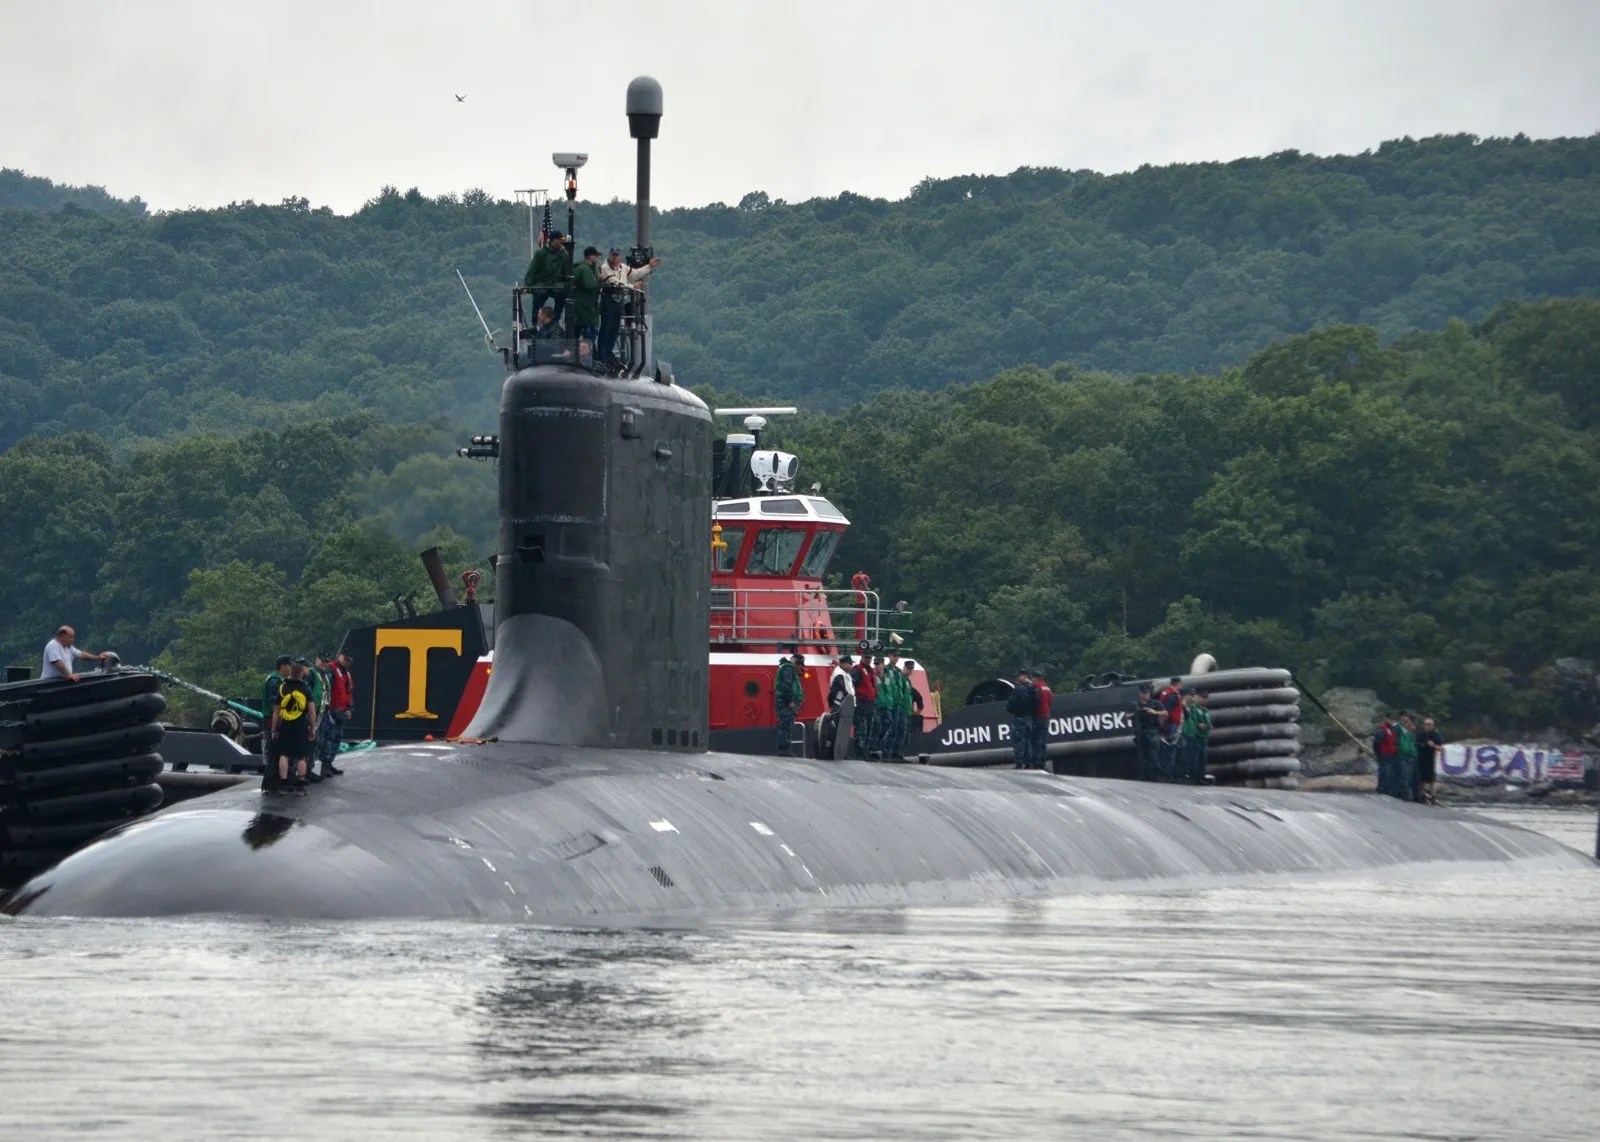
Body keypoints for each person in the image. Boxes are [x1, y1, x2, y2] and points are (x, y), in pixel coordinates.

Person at [597, 247, 660, 362]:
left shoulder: (623, 268)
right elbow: (615, 282)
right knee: (606, 328)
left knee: (615, 329)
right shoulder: (605, 267)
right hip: (609, 301)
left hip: (618, 302)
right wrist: (632, 286)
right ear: (610, 256)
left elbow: (636, 273)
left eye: (617, 255)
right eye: (613, 255)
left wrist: (649, 266)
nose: (615, 258)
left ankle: (608, 353)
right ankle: (602, 355)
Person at [271, 659, 318, 796]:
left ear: (290, 673)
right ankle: (300, 786)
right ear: (301, 674)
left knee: (284, 754)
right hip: (301, 725)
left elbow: (276, 711)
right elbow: (311, 711)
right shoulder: (306, 689)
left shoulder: (282, 687)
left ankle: (283, 784)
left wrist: (274, 729)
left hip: (285, 724)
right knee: (302, 756)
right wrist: (313, 727)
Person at [259, 655, 292, 789]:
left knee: (279, 751)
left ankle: (279, 779)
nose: (290, 668)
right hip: (273, 720)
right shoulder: (274, 681)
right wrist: (277, 725)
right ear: (283, 666)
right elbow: (275, 706)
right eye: (289, 665)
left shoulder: (282, 680)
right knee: (274, 751)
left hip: (278, 718)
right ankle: (272, 782)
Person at [320, 648, 353, 777]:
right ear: (339, 656)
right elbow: (326, 689)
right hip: (332, 711)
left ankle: (329, 763)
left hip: (342, 711)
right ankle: (325, 766)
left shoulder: (346, 673)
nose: (347, 662)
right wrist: (328, 709)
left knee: (337, 739)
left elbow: (349, 691)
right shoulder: (331, 669)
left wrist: (350, 708)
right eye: (345, 659)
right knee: (328, 738)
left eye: (349, 661)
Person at [524, 231, 571, 320]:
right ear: (552, 241)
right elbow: (532, 270)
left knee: (562, 293)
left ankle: (556, 317)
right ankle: (535, 317)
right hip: (541, 282)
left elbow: (566, 271)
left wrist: (568, 283)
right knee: (541, 294)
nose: (560, 243)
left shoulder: (563, 253)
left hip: (556, 283)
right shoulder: (541, 253)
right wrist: (528, 285)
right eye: (558, 241)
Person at [40, 625, 110, 682]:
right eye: (70, 637)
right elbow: (58, 664)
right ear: (62, 636)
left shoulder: (68, 647)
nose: (72, 640)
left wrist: (97, 658)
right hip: (50, 683)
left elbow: (82, 655)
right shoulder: (53, 646)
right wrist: (68, 675)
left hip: (62, 681)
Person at [571, 246, 604, 355]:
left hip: (588, 307)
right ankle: (590, 356)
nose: (597, 258)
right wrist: (600, 281)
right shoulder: (584, 268)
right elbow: (590, 285)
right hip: (585, 307)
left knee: (581, 333)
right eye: (596, 256)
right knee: (588, 335)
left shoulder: (592, 268)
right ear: (590, 256)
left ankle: (585, 354)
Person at [774, 647, 804, 754]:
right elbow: (787, 686)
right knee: (786, 725)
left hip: (783, 702)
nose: (801, 667)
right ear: (797, 662)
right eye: (800, 664)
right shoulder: (788, 669)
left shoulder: (787, 668)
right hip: (785, 703)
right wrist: (790, 701)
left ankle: (784, 748)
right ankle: (784, 750)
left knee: (786, 725)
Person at [1005, 669, 1036, 769]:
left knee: (1019, 741)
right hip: (1029, 718)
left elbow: (1010, 704)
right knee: (1028, 741)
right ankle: (1029, 762)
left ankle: (1019, 763)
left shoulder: (1019, 689)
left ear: (1024, 676)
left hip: (1019, 718)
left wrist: (1012, 709)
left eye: (1018, 676)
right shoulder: (1033, 689)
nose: (1017, 678)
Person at [1181, 688, 1213, 783]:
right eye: (1203, 697)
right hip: (1196, 736)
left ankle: (1200, 777)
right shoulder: (1194, 708)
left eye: (1206, 698)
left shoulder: (1205, 710)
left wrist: (1207, 726)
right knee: (1194, 758)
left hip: (1204, 737)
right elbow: (1199, 724)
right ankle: (1192, 777)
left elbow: (1208, 724)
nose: (1205, 699)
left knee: (1203, 759)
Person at [1133, 683, 1164, 782]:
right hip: (1142, 731)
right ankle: (1146, 775)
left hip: (1153, 730)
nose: (1146, 695)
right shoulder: (1136, 705)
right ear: (1140, 694)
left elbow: (1165, 712)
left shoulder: (1155, 703)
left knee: (1154, 754)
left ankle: (1156, 775)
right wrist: (1135, 713)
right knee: (1144, 754)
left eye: (1147, 693)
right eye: (1144, 693)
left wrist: (1154, 712)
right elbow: (1126, 716)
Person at [850, 651, 878, 759]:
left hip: (870, 704)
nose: (868, 659)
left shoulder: (870, 671)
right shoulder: (857, 670)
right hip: (861, 703)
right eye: (866, 657)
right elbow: (852, 684)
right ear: (862, 658)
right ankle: (859, 753)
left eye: (869, 657)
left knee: (869, 730)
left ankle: (866, 752)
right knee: (861, 730)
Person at [1415, 716, 1444, 804]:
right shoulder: (1420, 734)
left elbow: (1441, 748)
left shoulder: (1435, 735)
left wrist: (1433, 745)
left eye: (1429, 724)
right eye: (1426, 724)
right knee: (1421, 780)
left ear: (1433, 725)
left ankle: (1433, 797)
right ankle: (1421, 796)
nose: (1427, 726)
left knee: (1431, 780)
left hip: (1430, 760)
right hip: (1419, 758)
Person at [1030, 668, 1053, 771]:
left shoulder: (1036, 687)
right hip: (1046, 716)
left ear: (1035, 678)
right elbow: (1049, 701)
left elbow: (1034, 701)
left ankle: (1037, 762)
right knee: (1043, 739)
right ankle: (1042, 760)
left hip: (1038, 716)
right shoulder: (1047, 688)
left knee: (1036, 739)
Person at [1371, 714, 1399, 796]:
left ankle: (1387, 788)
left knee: (1389, 772)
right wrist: (1378, 753)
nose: (1391, 721)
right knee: (1384, 771)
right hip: (1383, 754)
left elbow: (1394, 742)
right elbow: (1376, 742)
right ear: (1386, 719)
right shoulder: (1382, 729)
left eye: (1392, 719)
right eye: (1389, 719)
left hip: (1391, 754)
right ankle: (1381, 788)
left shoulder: (1392, 730)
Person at [1395, 713, 1419, 802]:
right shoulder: (1399, 727)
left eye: (1408, 719)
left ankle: (1406, 792)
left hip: (1410, 755)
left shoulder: (1410, 732)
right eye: (1404, 718)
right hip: (1402, 754)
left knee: (1408, 776)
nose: (1406, 720)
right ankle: (1403, 793)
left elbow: (1413, 744)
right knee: (1404, 774)